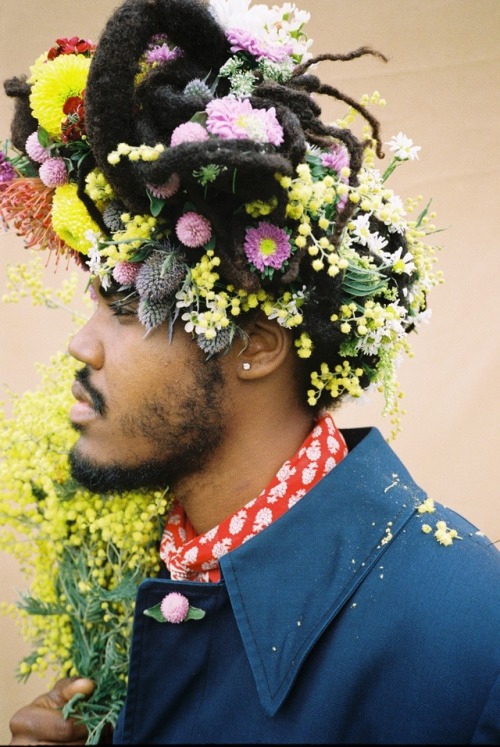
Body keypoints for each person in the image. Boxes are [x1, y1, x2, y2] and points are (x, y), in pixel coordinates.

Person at [3, 0, 500, 743]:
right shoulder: (121, 567)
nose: (81, 345)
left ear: (258, 344)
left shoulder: (475, 634)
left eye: (127, 307)